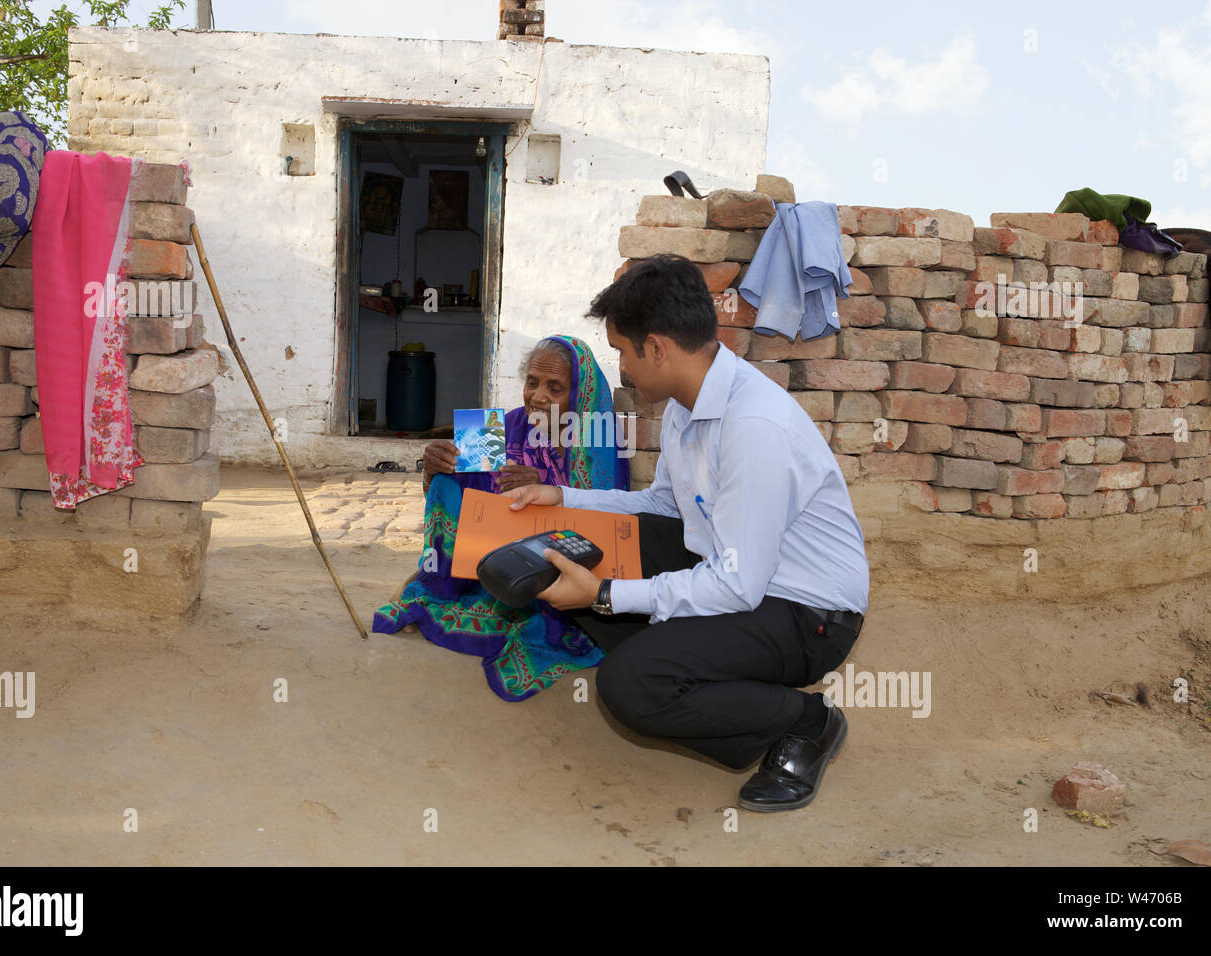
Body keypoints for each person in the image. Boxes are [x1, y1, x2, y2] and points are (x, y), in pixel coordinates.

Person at [503, 254, 870, 812]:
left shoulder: (753, 426)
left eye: (622, 351)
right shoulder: (685, 400)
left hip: (805, 613)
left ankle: (806, 722)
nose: (620, 368)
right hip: (740, 574)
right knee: (581, 555)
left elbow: (739, 587)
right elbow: (660, 505)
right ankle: (693, 670)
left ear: (656, 348)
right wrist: (565, 499)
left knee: (628, 685)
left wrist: (606, 596)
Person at [372, 334, 631, 701]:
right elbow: (446, 488)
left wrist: (547, 486)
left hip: (559, 568)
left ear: (579, 397)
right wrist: (434, 467)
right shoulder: (506, 426)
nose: (538, 396)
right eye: (532, 382)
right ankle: (444, 585)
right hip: (497, 555)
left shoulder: (598, 442)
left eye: (554, 387)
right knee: (448, 483)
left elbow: (607, 519)